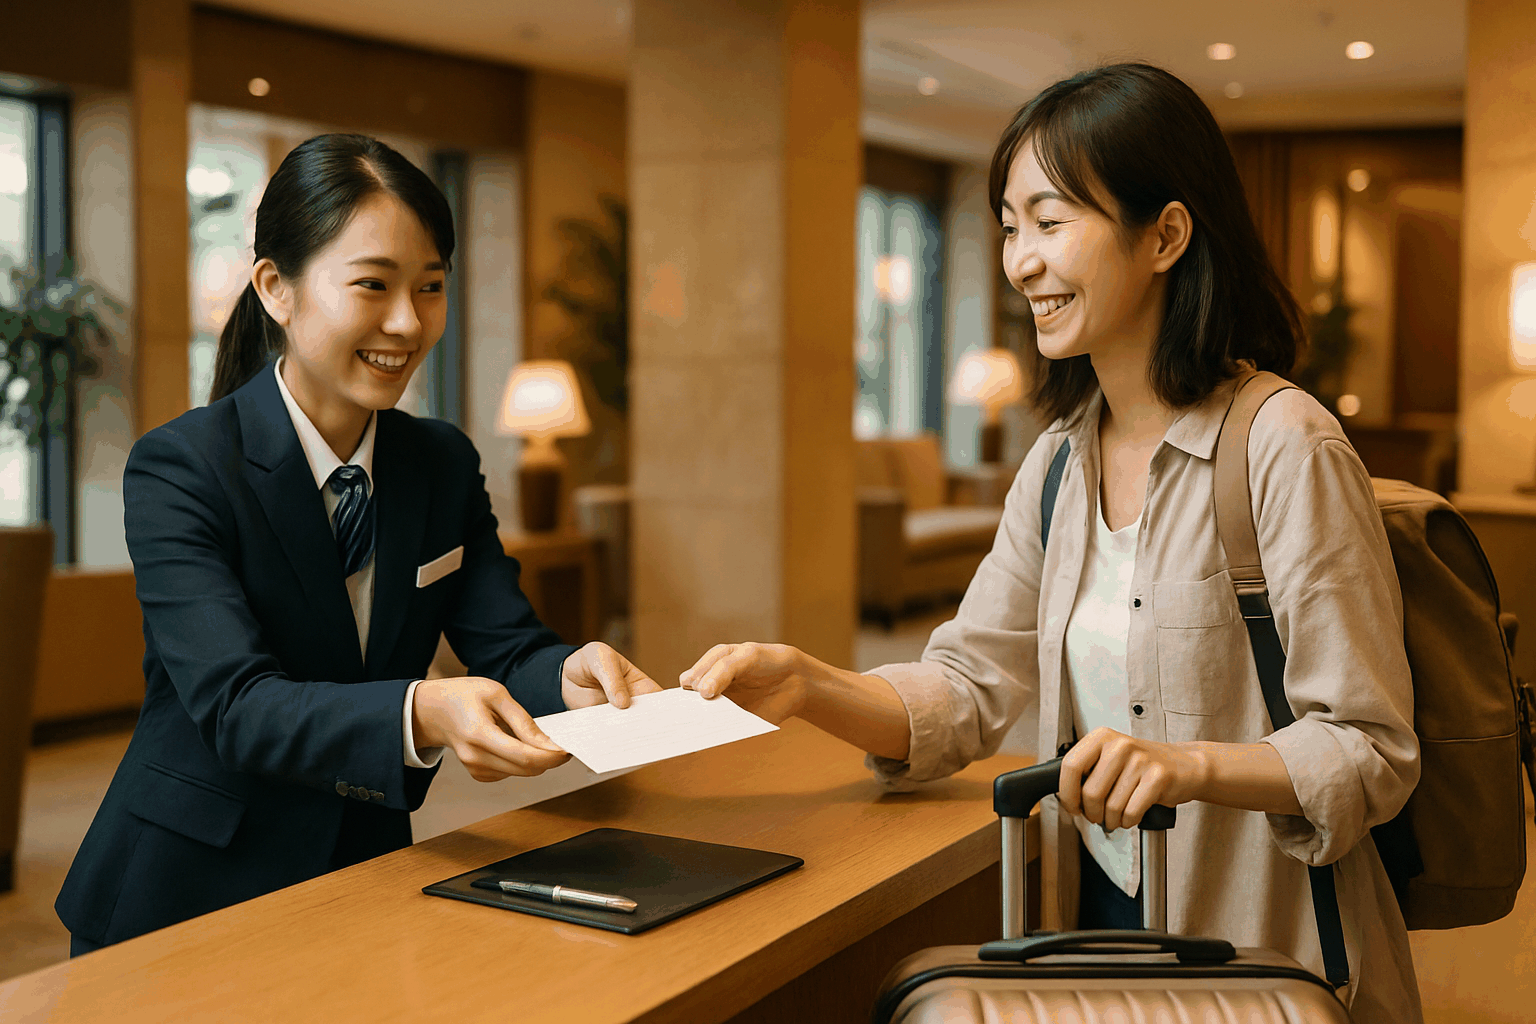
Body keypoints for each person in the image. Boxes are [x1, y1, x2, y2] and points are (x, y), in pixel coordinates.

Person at [681, 64, 1421, 1022]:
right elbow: (968, 687)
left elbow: (1369, 747)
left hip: (1262, 951)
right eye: (1008, 226)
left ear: (1166, 236)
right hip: (1095, 921)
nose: (1021, 262)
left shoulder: (1284, 444)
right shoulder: (1059, 464)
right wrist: (809, 684)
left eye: (1049, 220)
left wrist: (1189, 764)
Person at [56, 133, 659, 954]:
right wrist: (423, 709)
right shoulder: (182, 466)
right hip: (187, 892)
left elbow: (507, 646)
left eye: (431, 287)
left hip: (364, 871)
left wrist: (568, 675)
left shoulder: (441, 463)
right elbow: (237, 706)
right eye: (373, 284)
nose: (407, 322)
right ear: (276, 288)